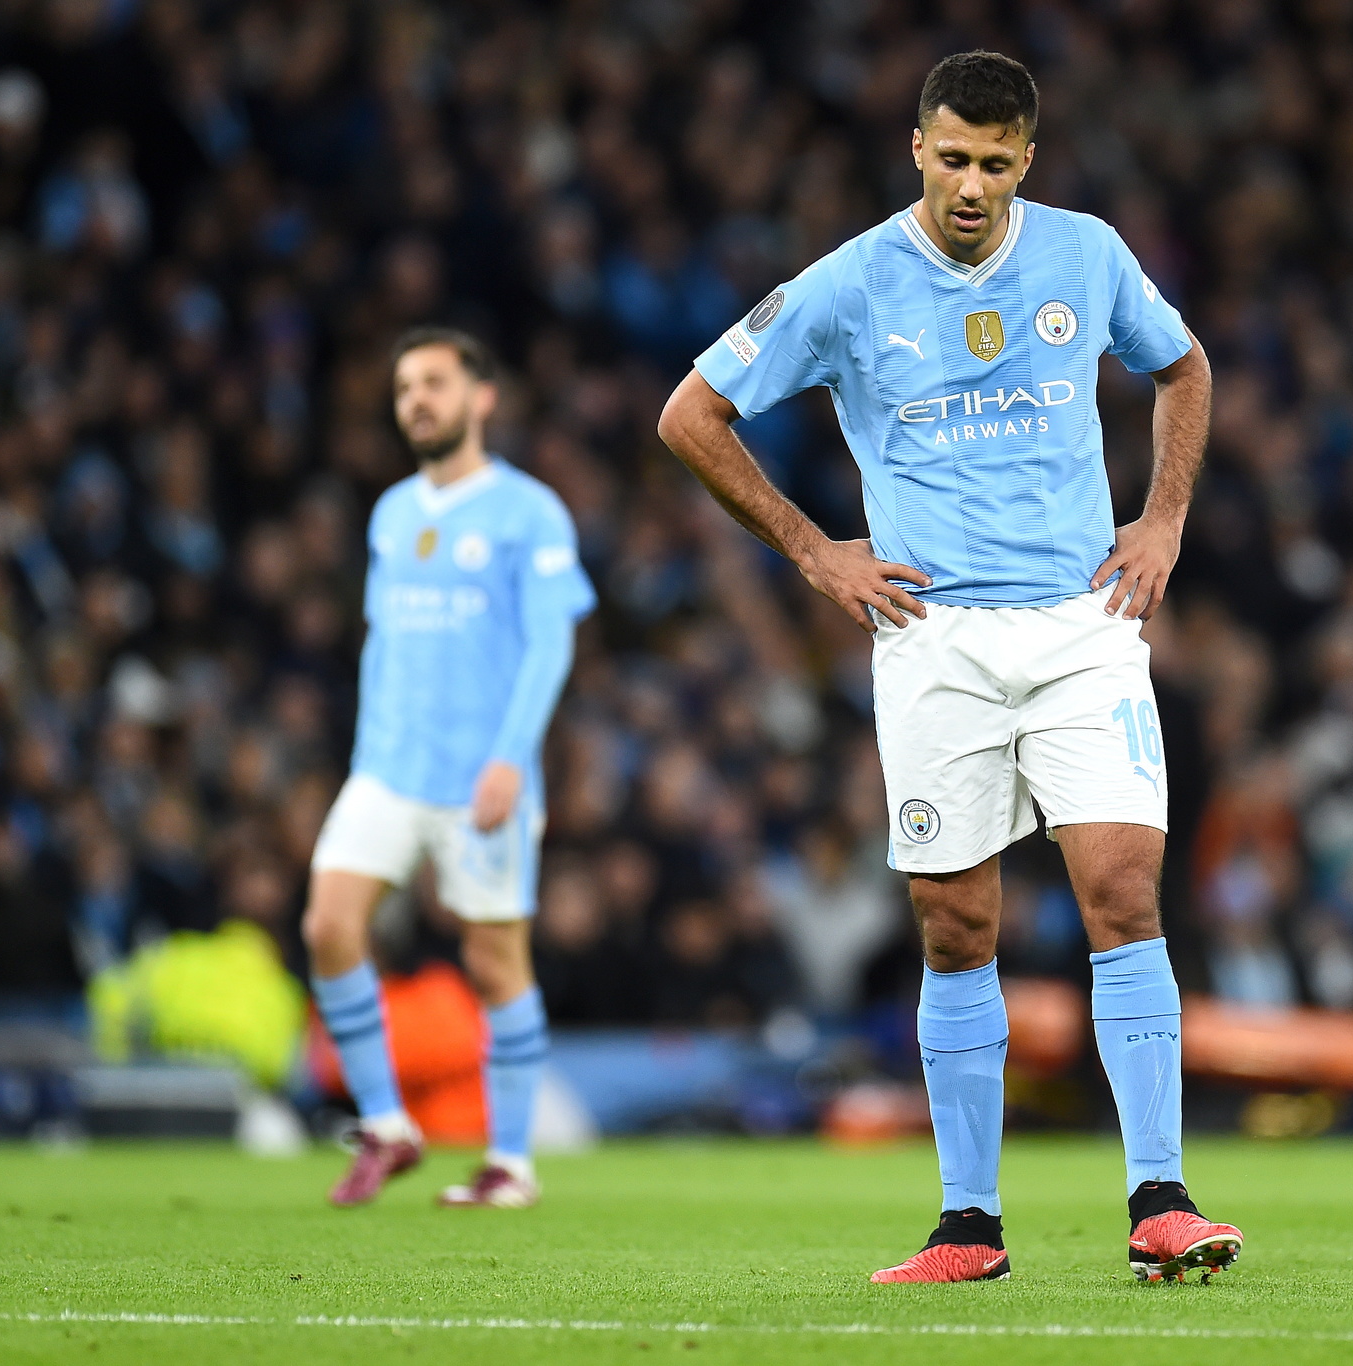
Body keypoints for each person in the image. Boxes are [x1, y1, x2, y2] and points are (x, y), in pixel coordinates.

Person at [659, 51, 1241, 1283]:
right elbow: (689, 414)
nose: (970, 183)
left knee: (1123, 892)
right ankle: (966, 1226)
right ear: (914, 147)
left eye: (994, 162)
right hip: (933, 638)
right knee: (952, 923)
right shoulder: (851, 282)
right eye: (951, 157)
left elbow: (1181, 367)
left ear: (1026, 160)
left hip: (1082, 623)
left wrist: (1164, 519)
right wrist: (815, 552)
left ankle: (1161, 1197)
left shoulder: (1084, 253)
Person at [301, 328, 595, 1208]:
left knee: (495, 962)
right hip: (388, 768)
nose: (417, 401)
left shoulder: (530, 512)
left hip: (483, 776)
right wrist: (364, 753)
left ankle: (511, 1163)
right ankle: (389, 1126)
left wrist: (511, 760)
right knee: (327, 927)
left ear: (482, 396)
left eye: (433, 383)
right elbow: (382, 645)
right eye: (403, 389)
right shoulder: (391, 512)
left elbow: (550, 646)